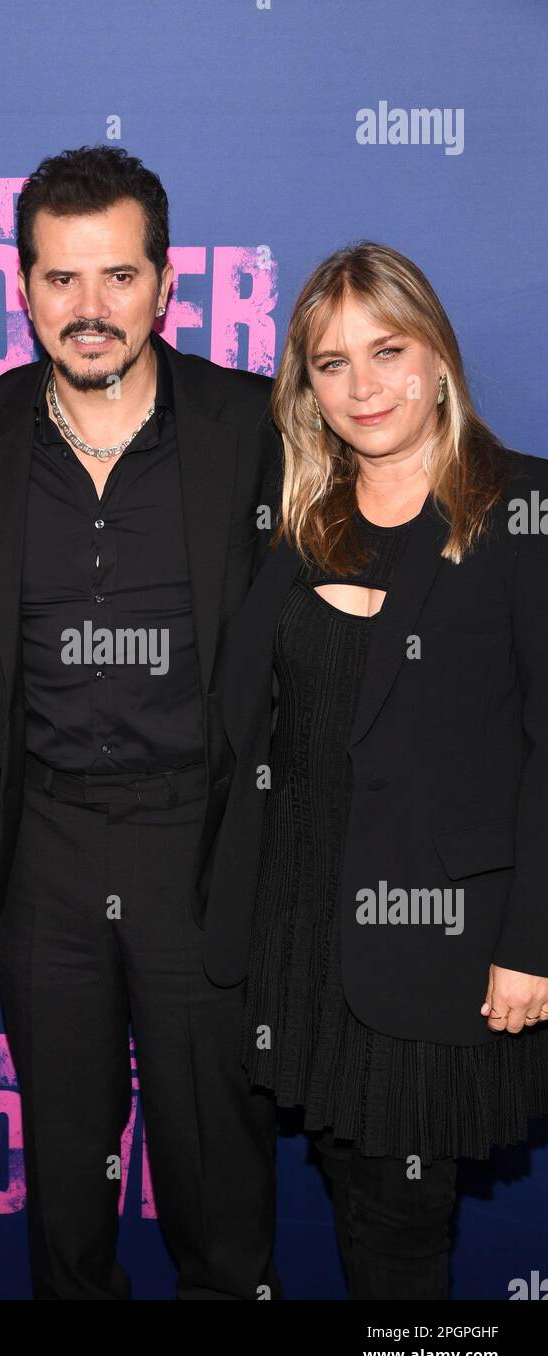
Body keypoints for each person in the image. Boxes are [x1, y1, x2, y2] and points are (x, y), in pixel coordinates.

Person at [0, 145, 282, 1299]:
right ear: (24, 287)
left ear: (165, 284)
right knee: (66, 1200)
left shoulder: (254, 427)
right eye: (59, 280)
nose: (89, 310)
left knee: (218, 1182)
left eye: (118, 277)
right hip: (43, 848)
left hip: (201, 849)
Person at [199, 241, 548, 1300]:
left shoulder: (521, 511)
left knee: (401, 1229)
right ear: (302, 386)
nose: (361, 387)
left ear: (436, 356)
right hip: (299, 932)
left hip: (441, 942)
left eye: (385, 351)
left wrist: (530, 943)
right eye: (329, 363)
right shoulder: (301, 518)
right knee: (355, 1194)